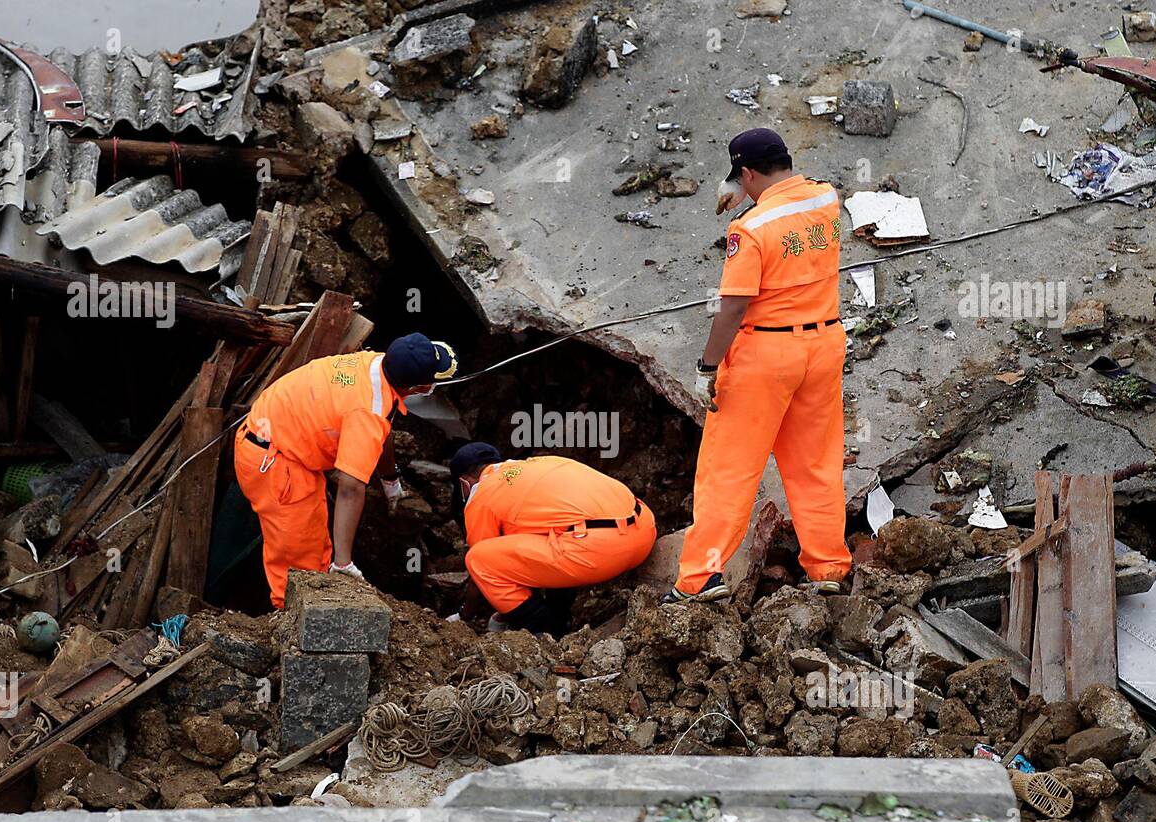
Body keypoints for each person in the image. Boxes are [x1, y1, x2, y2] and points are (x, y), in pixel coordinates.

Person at [665, 127, 852, 604]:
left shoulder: (748, 230)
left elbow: (733, 307)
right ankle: (828, 567)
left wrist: (709, 364)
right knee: (816, 462)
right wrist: (750, 195)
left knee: (729, 468)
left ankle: (700, 578)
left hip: (765, 356)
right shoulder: (826, 200)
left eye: (740, 177)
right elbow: (791, 203)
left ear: (746, 173)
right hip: (824, 344)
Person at [235, 333, 457, 607]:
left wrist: (390, 479)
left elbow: (382, 429)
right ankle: (289, 621)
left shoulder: (375, 364)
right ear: (419, 388)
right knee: (299, 568)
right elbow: (351, 489)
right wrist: (344, 563)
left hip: (281, 437)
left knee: (314, 546)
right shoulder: (368, 409)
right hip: (276, 461)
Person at [449, 443, 657, 634]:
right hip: (644, 528)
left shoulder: (483, 495)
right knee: (555, 535)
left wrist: (465, 614)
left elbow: (482, 570)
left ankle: (545, 629)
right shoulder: (542, 462)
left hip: (599, 553)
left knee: (478, 558)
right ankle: (560, 614)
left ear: (464, 484)